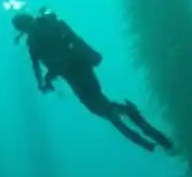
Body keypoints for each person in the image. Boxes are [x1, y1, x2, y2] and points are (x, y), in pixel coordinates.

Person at [13, 8, 173, 153]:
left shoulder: (34, 39)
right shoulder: (48, 25)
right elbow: (66, 44)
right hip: (80, 66)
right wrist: (45, 79)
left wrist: (43, 81)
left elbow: (38, 64)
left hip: (73, 72)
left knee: (98, 107)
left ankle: (136, 124)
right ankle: (143, 130)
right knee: (100, 103)